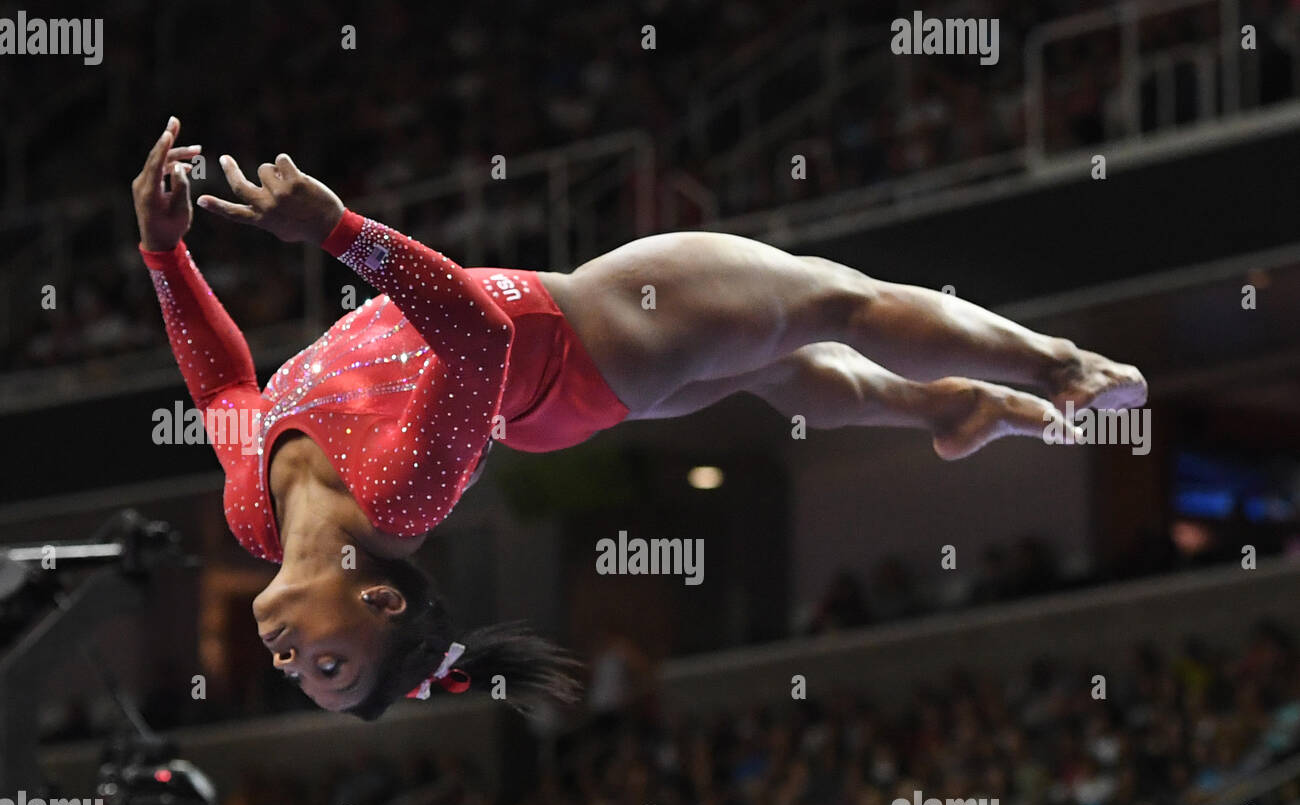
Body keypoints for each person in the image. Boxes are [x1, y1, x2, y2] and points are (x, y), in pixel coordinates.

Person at [134, 118, 1146, 719]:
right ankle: (1056, 366)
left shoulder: (252, 517)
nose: (283, 653)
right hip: (594, 336)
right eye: (325, 664)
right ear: (381, 605)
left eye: (296, 670)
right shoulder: (398, 496)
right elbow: (479, 336)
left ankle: (944, 409)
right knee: (833, 300)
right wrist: (342, 232)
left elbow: (227, 392)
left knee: (776, 368)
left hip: (556, 398)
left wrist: (166, 254)